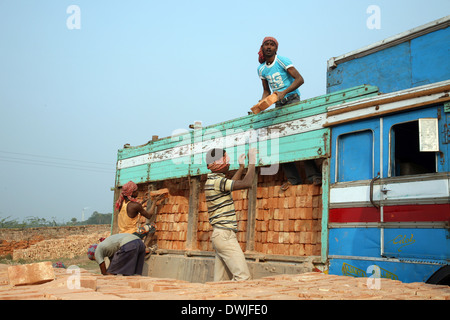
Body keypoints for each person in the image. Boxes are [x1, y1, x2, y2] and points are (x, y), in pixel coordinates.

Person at [257, 36, 321, 189]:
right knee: (281, 143)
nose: (269, 47)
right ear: (262, 47)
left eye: (272, 45)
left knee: (299, 137)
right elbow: (266, 90)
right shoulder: (261, 69)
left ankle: (315, 176)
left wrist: (284, 92)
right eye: (266, 44)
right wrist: (259, 106)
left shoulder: (282, 61)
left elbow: (300, 79)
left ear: (276, 49)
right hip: (278, 103)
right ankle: (293, 180)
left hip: (292, 99)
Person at [205, 148, 257, 281]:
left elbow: (230, 185)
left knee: (220, 283)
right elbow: (247, 183)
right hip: (225, 236)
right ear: (218, 161)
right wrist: (252, 162)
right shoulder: (218, 181)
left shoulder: (213, 181)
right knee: (243, 277)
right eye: (225, 158)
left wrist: (240, 168)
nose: (228, 161)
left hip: (220, 235)